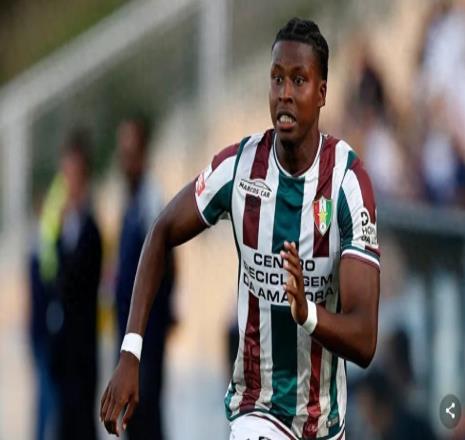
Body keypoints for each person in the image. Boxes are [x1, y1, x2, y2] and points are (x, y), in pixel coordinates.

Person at [101, 18, 380, 440]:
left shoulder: (347, 183)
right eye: (277, 79)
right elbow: (161, 231)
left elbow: (364, 339)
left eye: (299, 80)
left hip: (324, 424)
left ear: (322, 92)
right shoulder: (240, 168)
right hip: (257, 412)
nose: (285, 93)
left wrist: (307, 313)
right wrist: (131, 350)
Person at [114, 117, 176, 440]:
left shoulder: (151, 198)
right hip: (129, 331)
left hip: (147, 335)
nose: (125, 160)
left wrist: (161, 318)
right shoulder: (131, 198)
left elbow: (166, 259)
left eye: (130, 152)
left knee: (146, 412)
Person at [46, 130, 102, 440]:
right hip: (64, 350)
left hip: (81, 353)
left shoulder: (89, 229)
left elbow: (77, 284)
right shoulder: (63, 227)